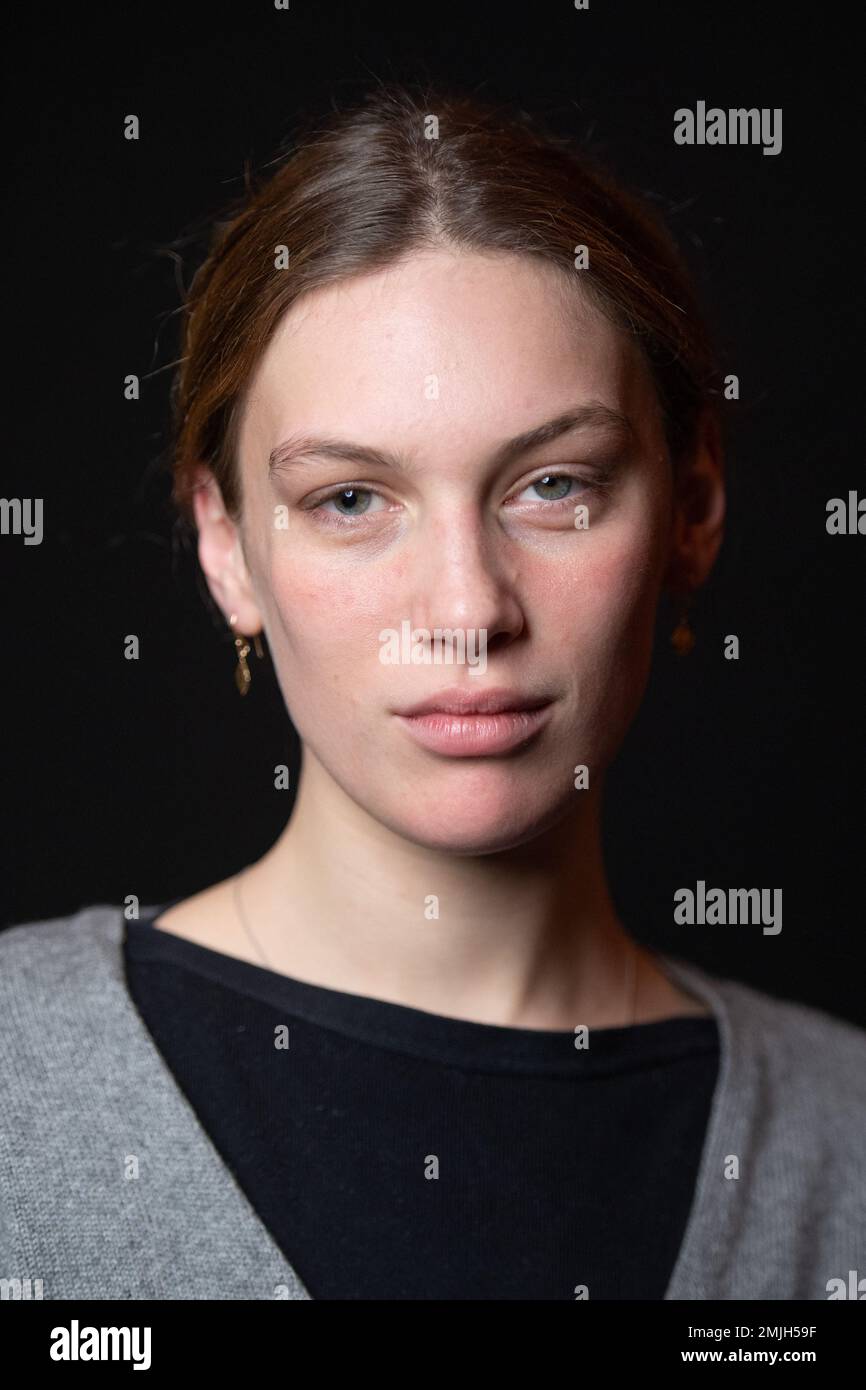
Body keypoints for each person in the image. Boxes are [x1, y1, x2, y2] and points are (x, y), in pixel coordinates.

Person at [1, 82, 864, 1303]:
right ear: (226, 546)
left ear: (694, 507)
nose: (466, 610)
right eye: (350, 499)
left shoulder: (848, 1147)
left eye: (552, 484)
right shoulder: (15, 1086)